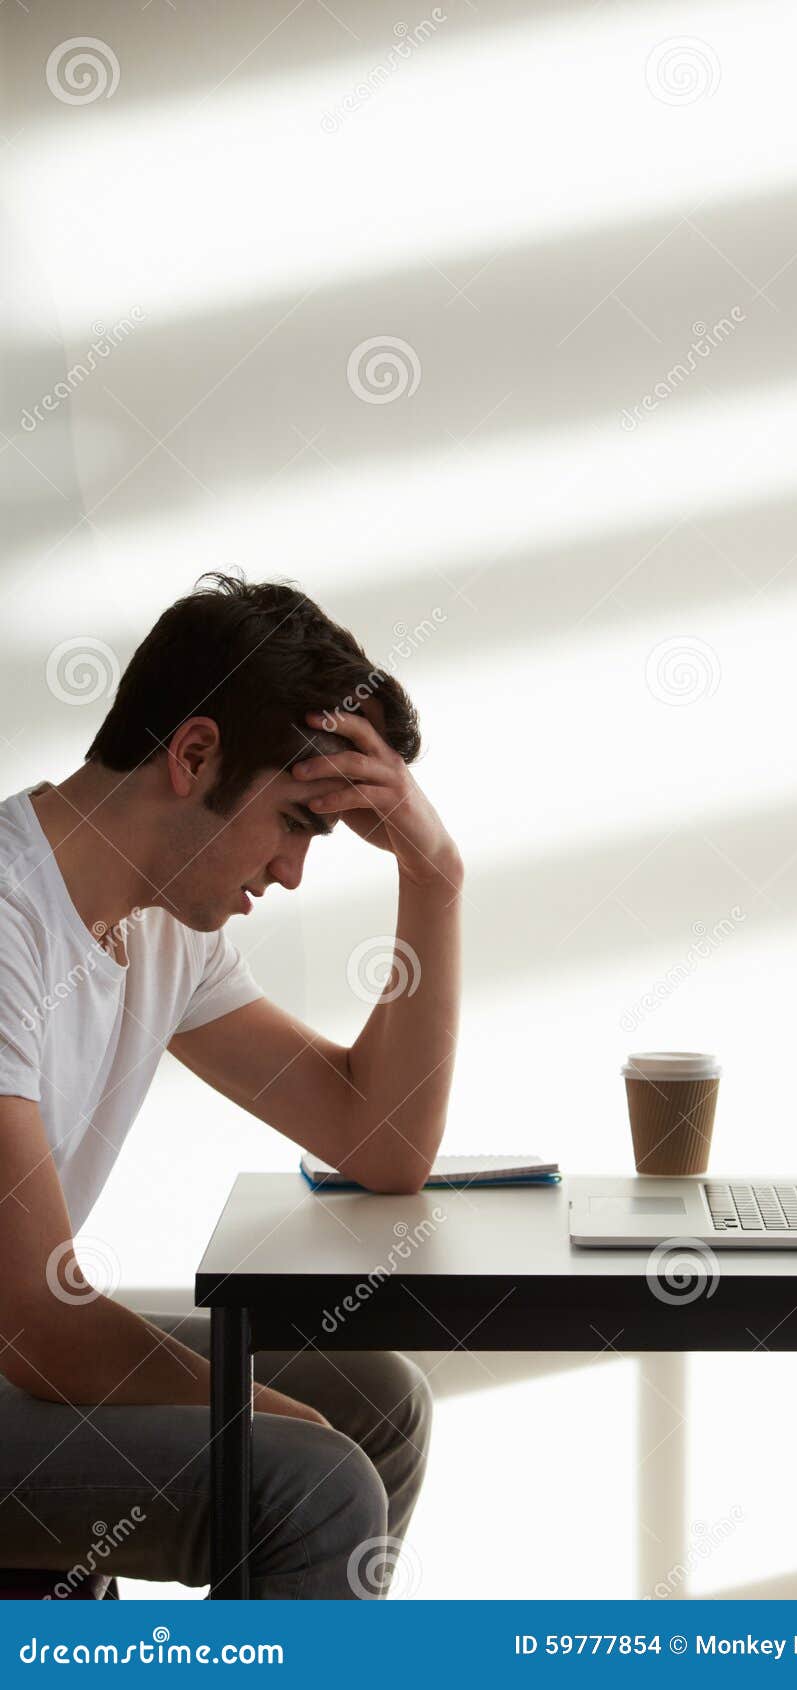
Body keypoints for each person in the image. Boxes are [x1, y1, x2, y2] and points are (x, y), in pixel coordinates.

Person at [0, 571, 463, 1598]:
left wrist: (434, 878)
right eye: (297, 820)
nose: (294, 870)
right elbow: (39, 1323)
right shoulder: (7, 921)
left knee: (376, 1396)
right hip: (14, 1346)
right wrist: (257, 1412)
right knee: (312, 1480)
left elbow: (380, 1139)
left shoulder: (161, 923)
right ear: (195, 753)